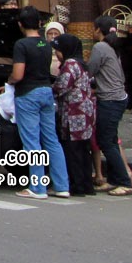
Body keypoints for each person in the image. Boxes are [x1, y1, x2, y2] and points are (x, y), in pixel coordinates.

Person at [6, 5, 69, 199]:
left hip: (28, 95)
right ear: (40, 23)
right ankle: (61, 186)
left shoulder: (21, 45)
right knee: (51, 139)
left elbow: (18, 74)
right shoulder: (45, 44)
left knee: (32, 142)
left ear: (20, 24)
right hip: (46, 92)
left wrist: (9, 81)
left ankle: (37, 187)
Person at [87, 15, 132, 195]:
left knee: (105, 141)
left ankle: (124, 182)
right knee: (111, 139)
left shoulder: (100, 47)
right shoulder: (112, 47)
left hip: (110, 99)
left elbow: (90, 70)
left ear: (98, 29)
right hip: (118, 97)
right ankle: (114, 180)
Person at [51, 33, 96, 196]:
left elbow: (61, 86)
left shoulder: (70, 64)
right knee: (84, 151)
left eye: (58, 50)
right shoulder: (81, 63)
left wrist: (49, 89)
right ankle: (86, 185)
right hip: (85, 113)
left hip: (73, 114)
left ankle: (77, 186)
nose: (56, 53)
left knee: (73, 151)